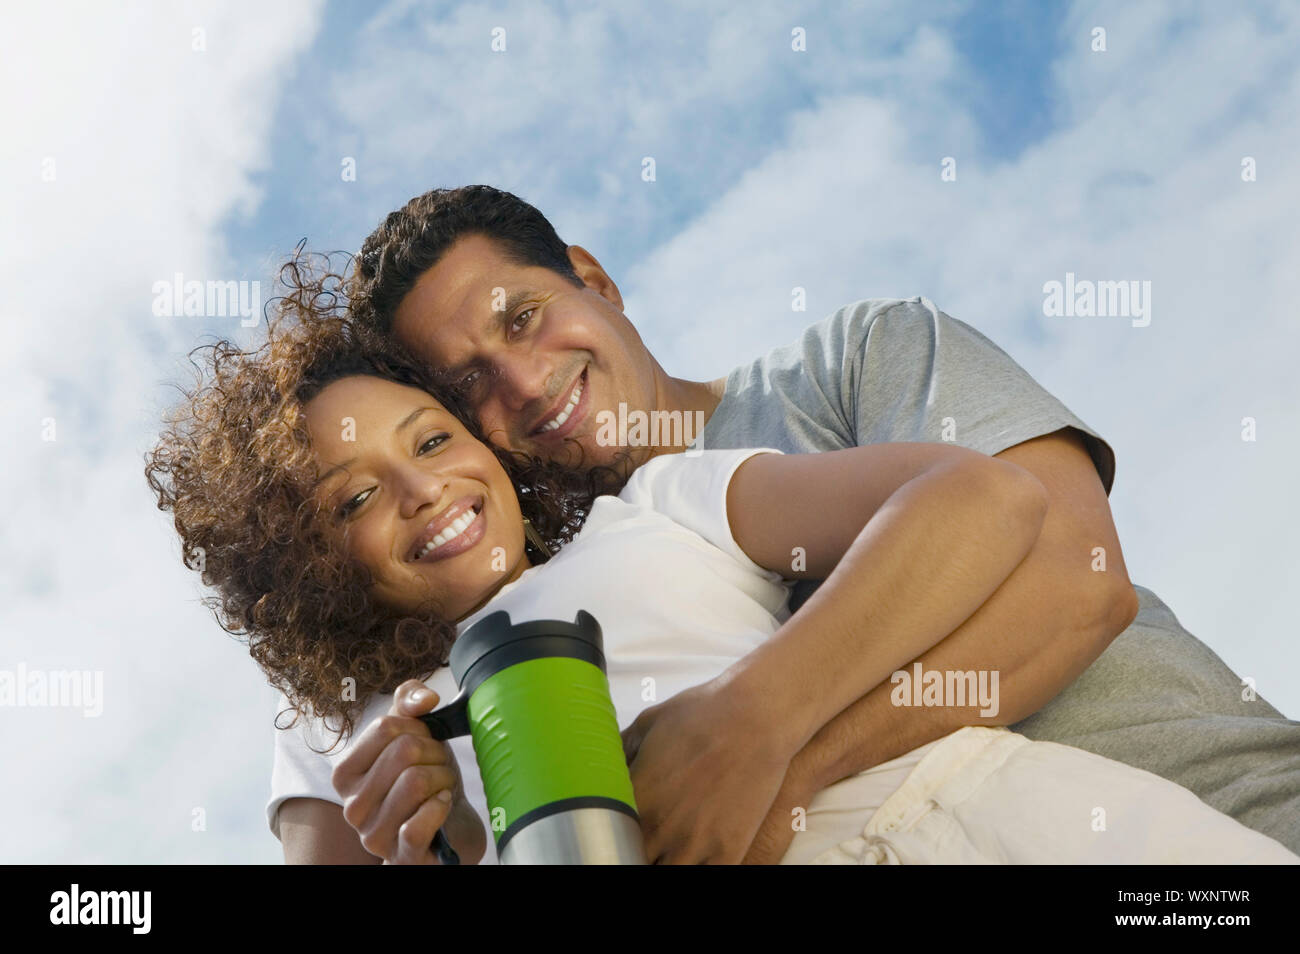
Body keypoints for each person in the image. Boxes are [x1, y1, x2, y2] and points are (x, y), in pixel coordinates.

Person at [341, 185, 1300, 858]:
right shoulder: (586, 600)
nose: (521, 379)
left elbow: (1078, 581)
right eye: (469, 388)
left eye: (523, 317)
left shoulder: (854, 359)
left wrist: (773, 746)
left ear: (594, 276)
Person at [145, 310, 1297, 865]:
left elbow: (984, 503)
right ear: (303, 566)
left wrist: (754, 722)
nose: (423, 488)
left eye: (435, 437)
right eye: (352, 499)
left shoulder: (661, 507)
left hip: (993, 823)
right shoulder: (372, 734)